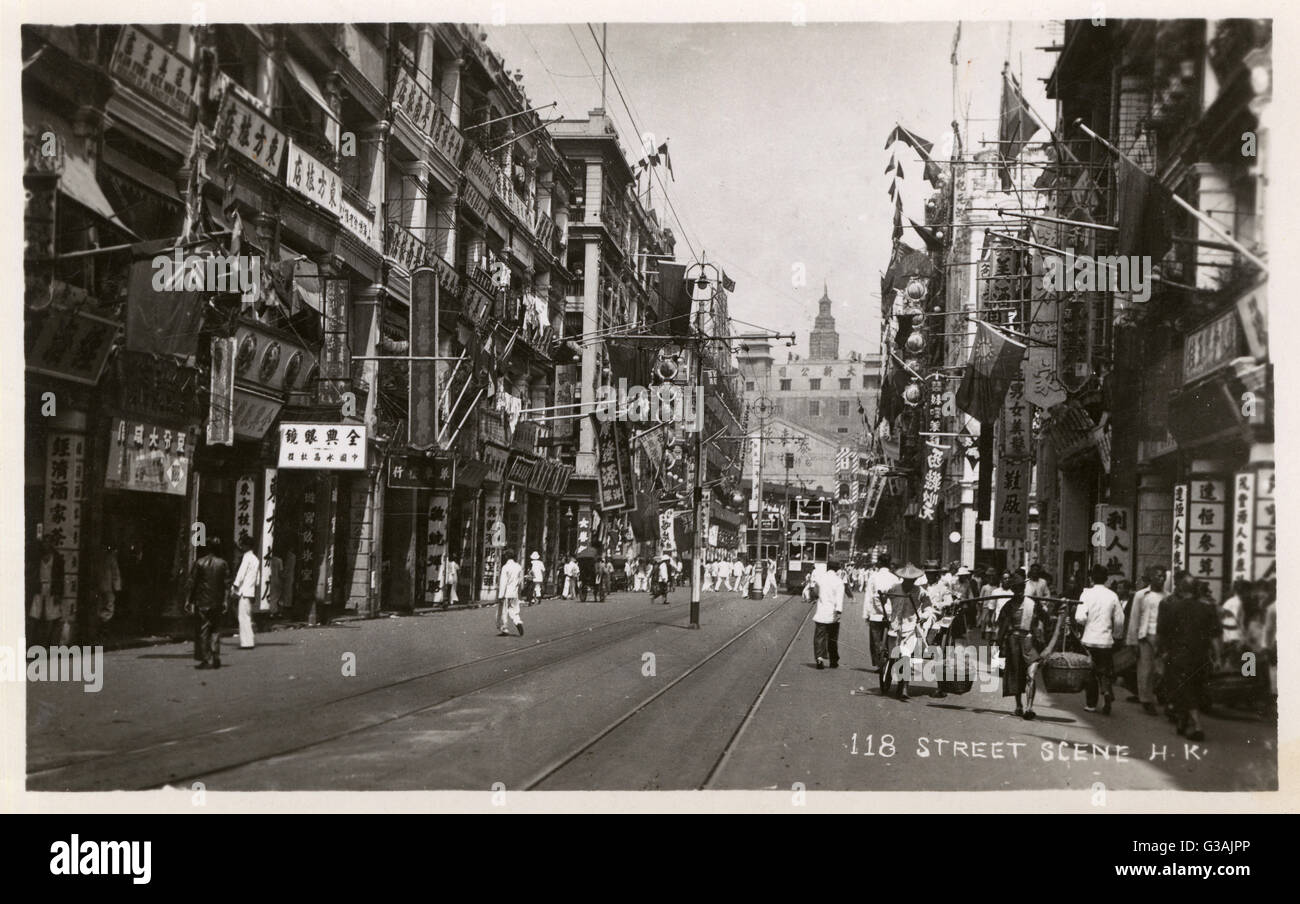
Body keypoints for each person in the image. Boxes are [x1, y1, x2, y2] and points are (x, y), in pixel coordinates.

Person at [1158, 572, 1217, 740]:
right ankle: (1182, 721)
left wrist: (1162, 652)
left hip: (1178, 656)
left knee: (1182, 688)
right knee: (1194, 687)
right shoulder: (1207, 609)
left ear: (1181, 589)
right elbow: (1215, 636)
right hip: (1201, 655)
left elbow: (1162, 632)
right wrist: (1218, 657)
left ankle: (1197, 726)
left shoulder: (1172, 607)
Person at [1074, 564, 1125, 714]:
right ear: (1106, 579)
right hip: (1106, 640)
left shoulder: (1086, 594)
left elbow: (1080, 617)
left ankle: (1091, 704)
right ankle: (1106, 691)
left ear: (1091, 578)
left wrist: (1086, 623)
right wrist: (1116, 635)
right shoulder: (1112, 595)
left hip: (1089, 639)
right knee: (1105, 670)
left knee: (1090, 672)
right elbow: (1120, 619)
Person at [995, 574, 1042, 718]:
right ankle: (1019, 706)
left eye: (1022, 587)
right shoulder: (1008, 606)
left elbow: (1044, 619)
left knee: (1031, 675)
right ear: (1013, 590)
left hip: (1029, 642)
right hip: (1013, 642)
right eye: (1016, 588)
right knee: (1016, 673)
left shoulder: (1033, 604)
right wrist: (999, 642)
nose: (1019, 590)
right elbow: (1001, 625)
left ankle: (1029, 708)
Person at [882, 563, 931, 699]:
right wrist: (884, 607)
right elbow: (882, 597)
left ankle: (903, 687)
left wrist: (924, 616)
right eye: (907, 580)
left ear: (915, 580)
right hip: (894, 628)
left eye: (912, 580)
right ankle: (887, 678)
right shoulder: (894, 588)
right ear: (903, 578)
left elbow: (928, 607)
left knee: (906, 657)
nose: (910, 582)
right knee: (893, 656)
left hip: (910, 629)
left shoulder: (920, 591)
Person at [185, 537, 231, 669]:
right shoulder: (223, 564)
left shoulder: (199, 563)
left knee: (203, 630)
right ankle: (215, 654)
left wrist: (188, 600)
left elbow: (192, 583)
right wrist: (225, 601)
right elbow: (227, 585)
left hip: (203, 602)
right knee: (215, 629)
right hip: (217, 602)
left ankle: (206, 658)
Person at [1127, 566, 1165, 715]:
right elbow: (1134, 618)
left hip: (1161, 637)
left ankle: (1155, 693)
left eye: (1163, 576)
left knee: (1161, 670)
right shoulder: (1141, 595)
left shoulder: (1167, 596)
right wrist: (1132, 641)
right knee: (1146, 670)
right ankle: (1146, 700)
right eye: (1158, 576)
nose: (1161, 579)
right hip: (1145, 636)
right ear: (1151, 578)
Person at [27, 539, 66, 647]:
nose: (46, 544)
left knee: (51, 615)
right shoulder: (37, 557)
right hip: (39, 587)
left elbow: (60, 578)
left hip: (52, 588)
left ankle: (48, 642)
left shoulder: (57, 559)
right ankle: (32, 642)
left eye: (48, 542)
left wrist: (59, 593)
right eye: (44, 542)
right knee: (34, 614)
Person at [865, 554, 897, 684]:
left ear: (879, 563)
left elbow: (868, 597)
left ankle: (879, 664)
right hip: (891, 614)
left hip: (876, 614)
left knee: (876, 640)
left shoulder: (873, 577)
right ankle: (888, 663)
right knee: (890, 639)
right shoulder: (894, 578)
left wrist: (866, 614)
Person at [809, 560, 846, 669]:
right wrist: (839, 611)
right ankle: (833, 661)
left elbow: (815, 593)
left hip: (821, 613)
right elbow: (839, 598)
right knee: (832, 638)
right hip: (833, 614)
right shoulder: (839, 581)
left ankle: (819, 659)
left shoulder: (820, 579)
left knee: (819, 637)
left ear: (827, 568)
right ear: (837, 570)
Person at [232, 534, 260, 650]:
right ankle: (249, 640)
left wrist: (235, 585)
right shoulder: (255, 559)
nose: (241, 547)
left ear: (247, 546)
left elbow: (241, 573)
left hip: (244, 591)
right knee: (247, 616)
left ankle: (246, 642)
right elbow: (257, 578)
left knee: (243, 617)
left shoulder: (246, 557)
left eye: (242, 545)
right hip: (250, 590)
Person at [496, 550, 524, 636]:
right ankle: (517, 621)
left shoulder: (505, 567)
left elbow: (503, 582)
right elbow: (520, 580)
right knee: (514, 610)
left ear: (506, 557)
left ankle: (504, 629)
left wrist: (500, 595)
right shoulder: (518, 566)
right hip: (514, 593)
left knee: (503, 612)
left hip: (506, 593)